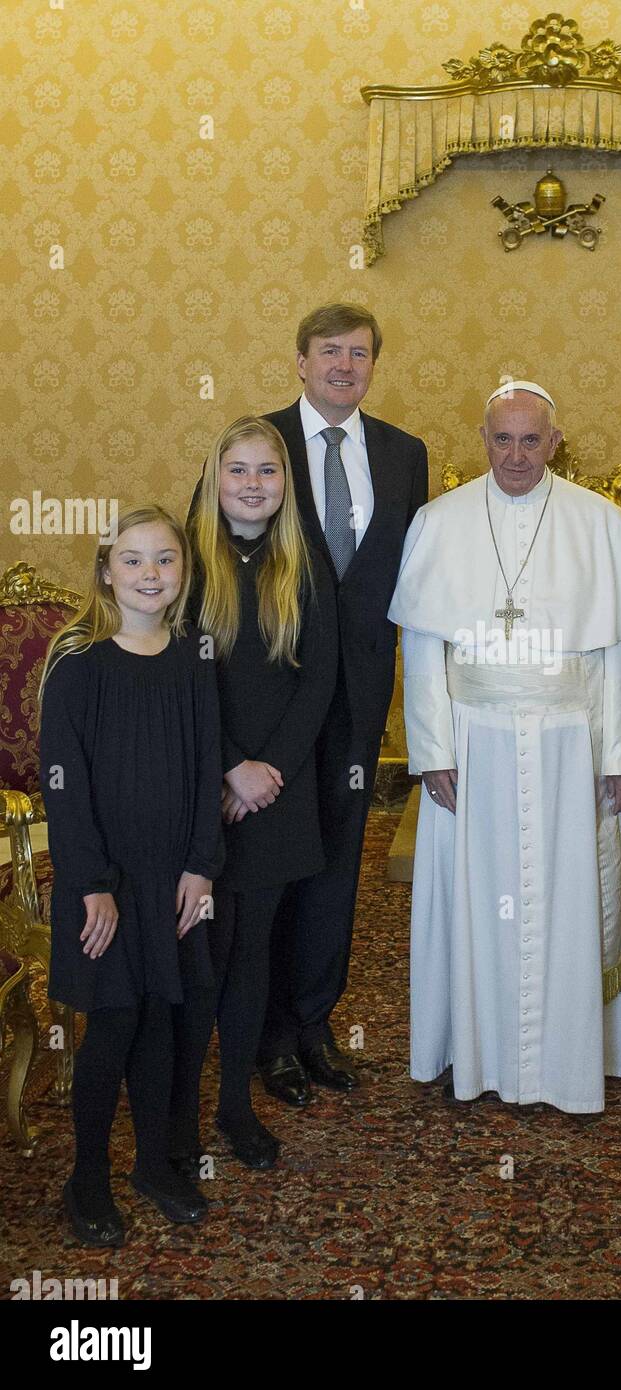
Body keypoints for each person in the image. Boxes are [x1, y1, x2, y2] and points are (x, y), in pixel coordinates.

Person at [388, 381, 621, 1113]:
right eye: (501, 439)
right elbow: (421, 651)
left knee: (566, 898)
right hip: (470, 744)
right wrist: (431, 750)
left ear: (554, 440)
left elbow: (617, 656)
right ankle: (473, 1052)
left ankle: (569, 1060)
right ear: (482, 439)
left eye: (530, 440)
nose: (515, 454)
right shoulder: (438, 522)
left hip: (570, 743)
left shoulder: (598, 523)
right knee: (475, 899)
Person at [244, 302, 428, 1105]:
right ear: (299, 360)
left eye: (359, 354)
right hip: (273, 698)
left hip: (358, 695)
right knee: (273, 867)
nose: (344, 366)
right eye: (329, 352)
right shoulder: (258, 446)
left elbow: (411, 576)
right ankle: (265, 1035)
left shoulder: (404, 454)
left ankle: (316, 1025)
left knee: (336, 865)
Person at [39, 507, 223, 1246]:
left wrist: (201, 868)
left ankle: (152, 1164)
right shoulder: (79, 666)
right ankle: (85, 1177)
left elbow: (209, 765)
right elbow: (63, 785)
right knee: (113, 1026)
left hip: (172, 881)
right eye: (134, 559)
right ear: (106, 571)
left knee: (164, 1021)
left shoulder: (193, 660)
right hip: (105, 887)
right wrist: (90, 884)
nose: (150, 574)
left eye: (165, 560)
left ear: (182, 574)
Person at [170, 417, 338, 1172]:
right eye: (237, 470)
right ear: (215, 479)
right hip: (201, 793)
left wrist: (267, 769)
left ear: (284, 484)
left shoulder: (303, 562)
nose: (251, 484)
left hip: (276, 795)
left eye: (266, 472)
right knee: (201, 958)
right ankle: (175, 1114)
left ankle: (234, 1106)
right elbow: (179, 681)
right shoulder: (187, 563)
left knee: (251, 961)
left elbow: (320, 681)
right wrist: (229, 767)